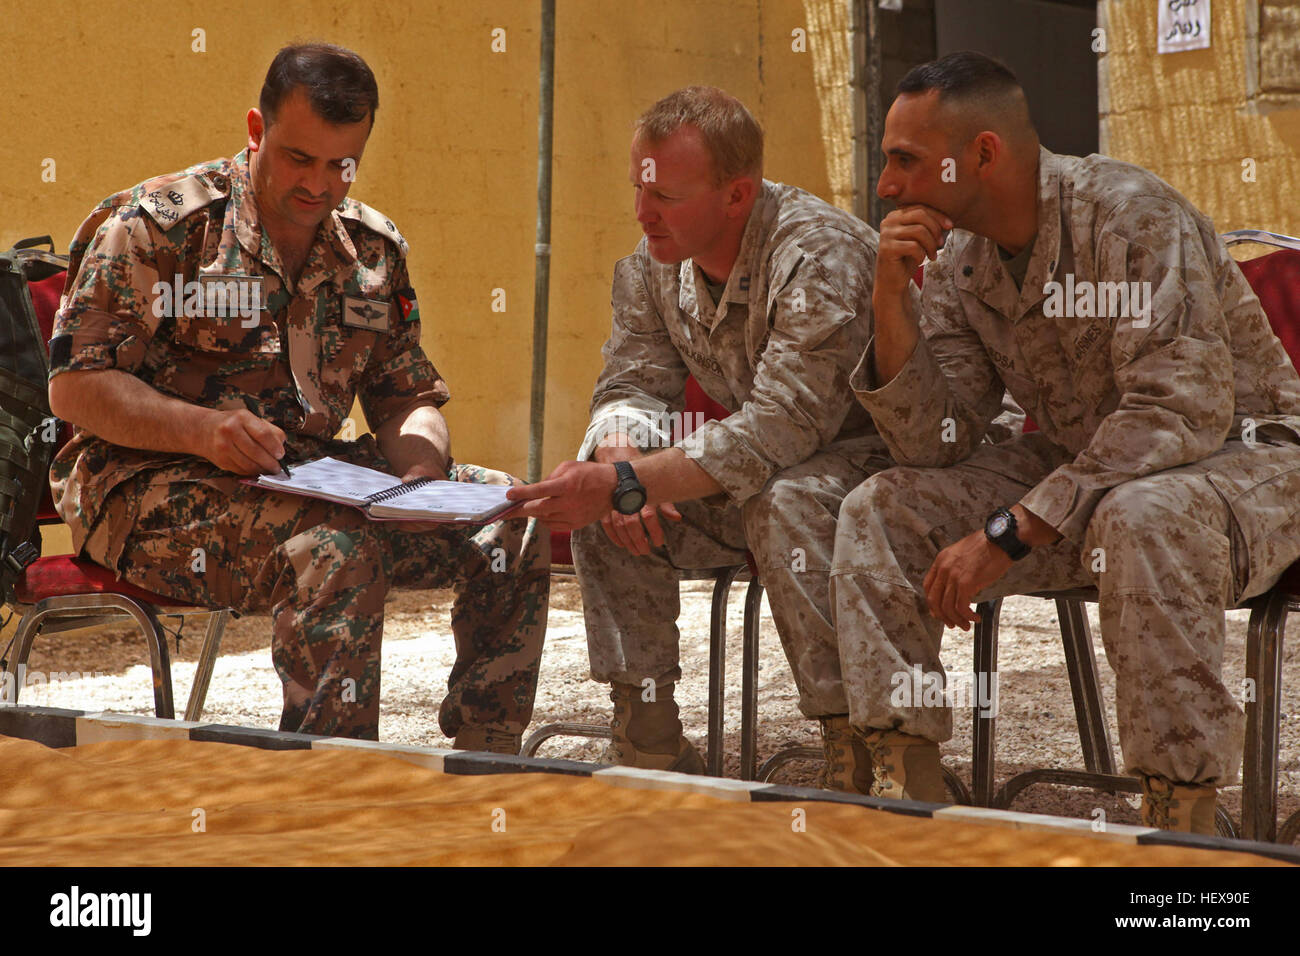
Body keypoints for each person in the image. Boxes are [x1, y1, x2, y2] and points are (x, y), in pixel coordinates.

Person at [830, 52, 1300, 832]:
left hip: (1243, 458)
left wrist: (1012, 529)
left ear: (983, 152)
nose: (885, 185)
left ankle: (1179, 817)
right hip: (1091, 472)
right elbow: (934, 443)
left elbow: (1177, 412)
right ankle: (902, 786)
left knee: (1143, 514)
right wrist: (890, 304)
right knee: (882, 507)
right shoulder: (961, 259)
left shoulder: (1128, 214)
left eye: (905, 160)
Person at [47, 43, 549, 751]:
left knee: (512, 519)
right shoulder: (161, 228)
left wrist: (421, 478)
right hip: (145, 484)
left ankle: (484, 761)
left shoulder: (371, 253)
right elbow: (75, 387)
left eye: (342, 164)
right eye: (298, 158)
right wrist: (201, 431)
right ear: (257, 129)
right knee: (335, 548)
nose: (319, 184)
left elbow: (405, 397)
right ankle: (331, 781)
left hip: (308, 480)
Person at [509, 86, 895, 783]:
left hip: (879, 470)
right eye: (638, 188)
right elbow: (630, 382)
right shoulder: (655, 262)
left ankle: (859, 746)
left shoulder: (817, 255)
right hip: (768, 474)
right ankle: (649, 734)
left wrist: (631, 479)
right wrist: (621, 458)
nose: (642, 211)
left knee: (786, 499)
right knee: (605, 505)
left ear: (736, 195)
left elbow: (785, 424)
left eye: (665, 195)